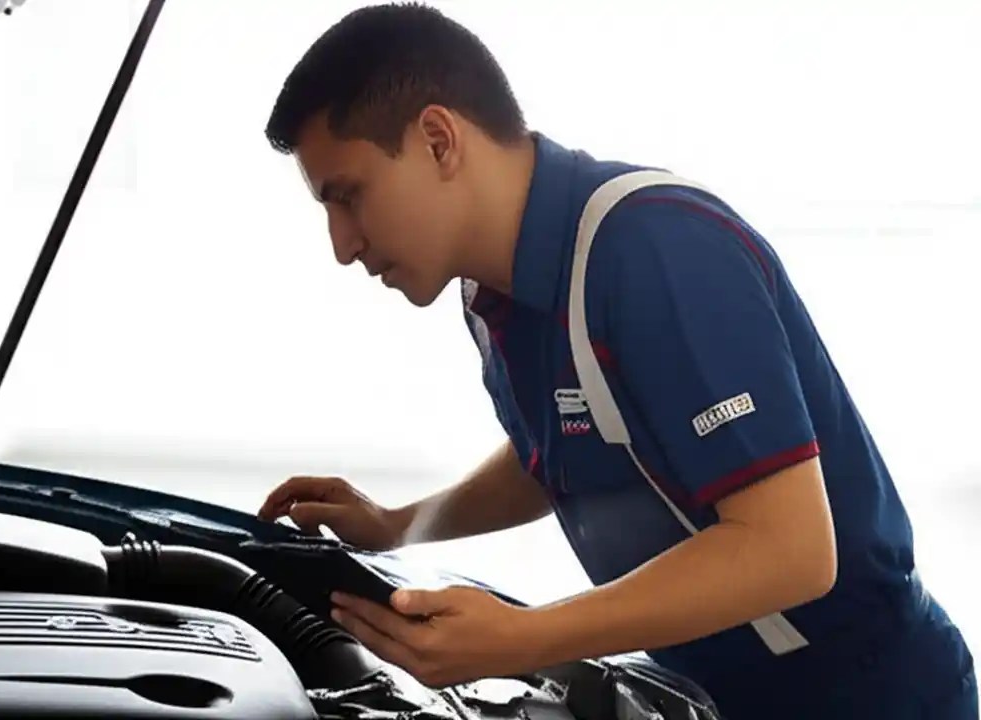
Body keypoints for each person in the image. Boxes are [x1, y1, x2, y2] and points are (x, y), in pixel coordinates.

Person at [254, 3, 977, 719]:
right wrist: (398, 525)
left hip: (870, 699)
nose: (341, 244)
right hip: (707, 696)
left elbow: (791, 551)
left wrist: (523, 639)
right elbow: (574, 444)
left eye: (348, 197)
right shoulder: (492, 295)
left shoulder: (657, 249)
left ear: (439, 140)